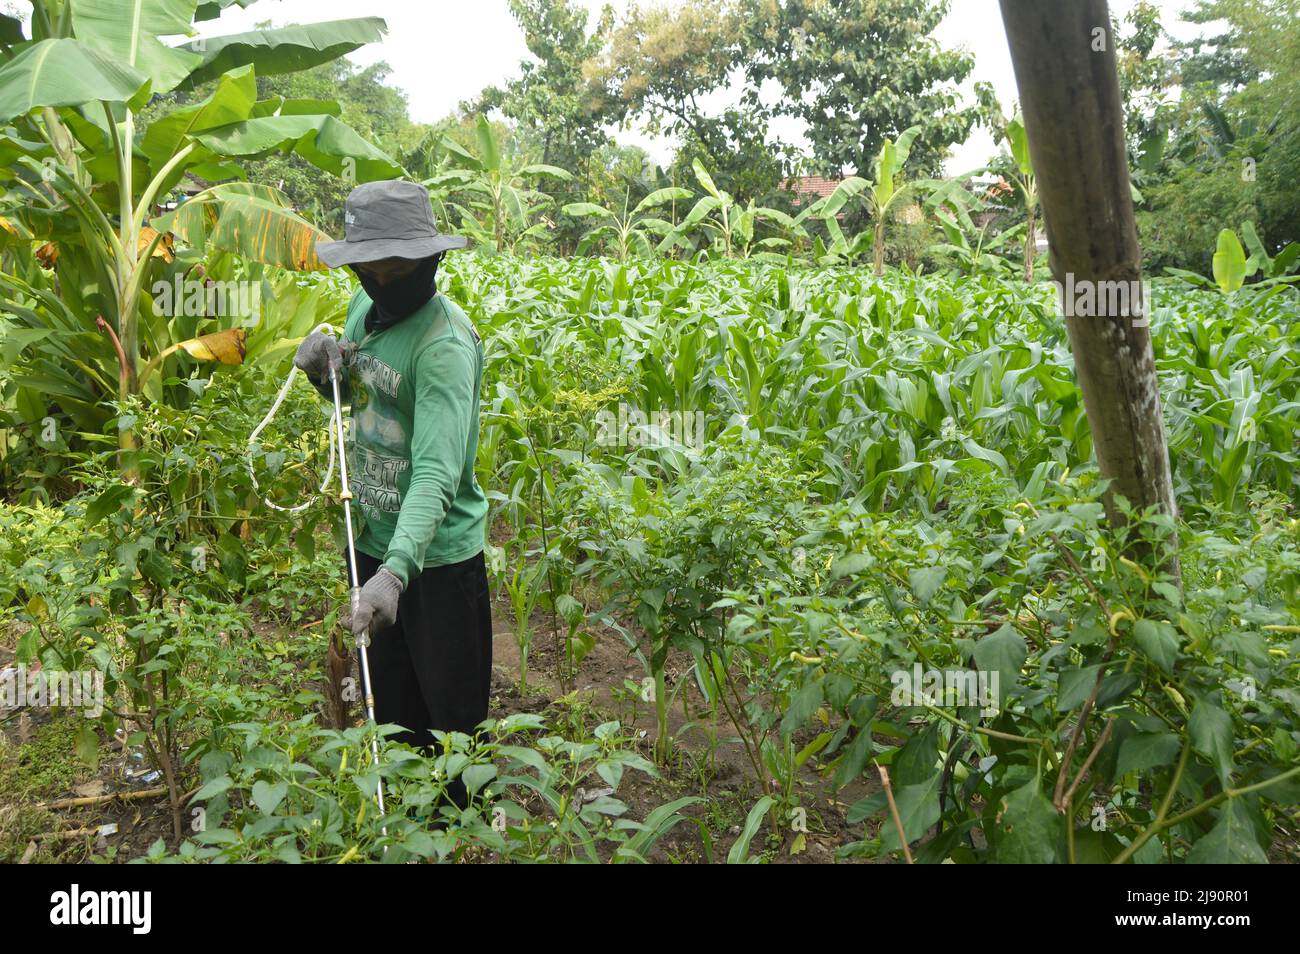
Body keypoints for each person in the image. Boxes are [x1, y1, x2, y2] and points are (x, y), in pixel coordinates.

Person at [292, 180, 491, 812]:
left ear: (433, 259)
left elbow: (435, 475)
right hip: (375, 544)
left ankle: (459, 841)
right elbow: (355, 398)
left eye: (400, 268)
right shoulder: (363, 309)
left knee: (453, 724)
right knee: (394, 709)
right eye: (371, 270)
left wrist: (395, 576)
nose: (384, 279)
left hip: (435, 564)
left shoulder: (444, 349)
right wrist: (327, 375)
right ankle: (408, 827)